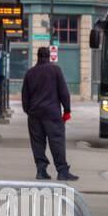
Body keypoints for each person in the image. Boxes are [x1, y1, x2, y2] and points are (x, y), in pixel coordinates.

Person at [20, 47, 77, 181]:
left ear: (37, 56)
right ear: (49, 56)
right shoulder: (55, 70)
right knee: (57, 142)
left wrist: (29, 111)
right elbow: (64, 92)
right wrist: (67, 110)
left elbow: (25, 97)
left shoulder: (30, 73)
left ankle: (41, 171)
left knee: (37, 143)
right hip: (52, 114)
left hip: (34, 115)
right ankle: (62, 171)